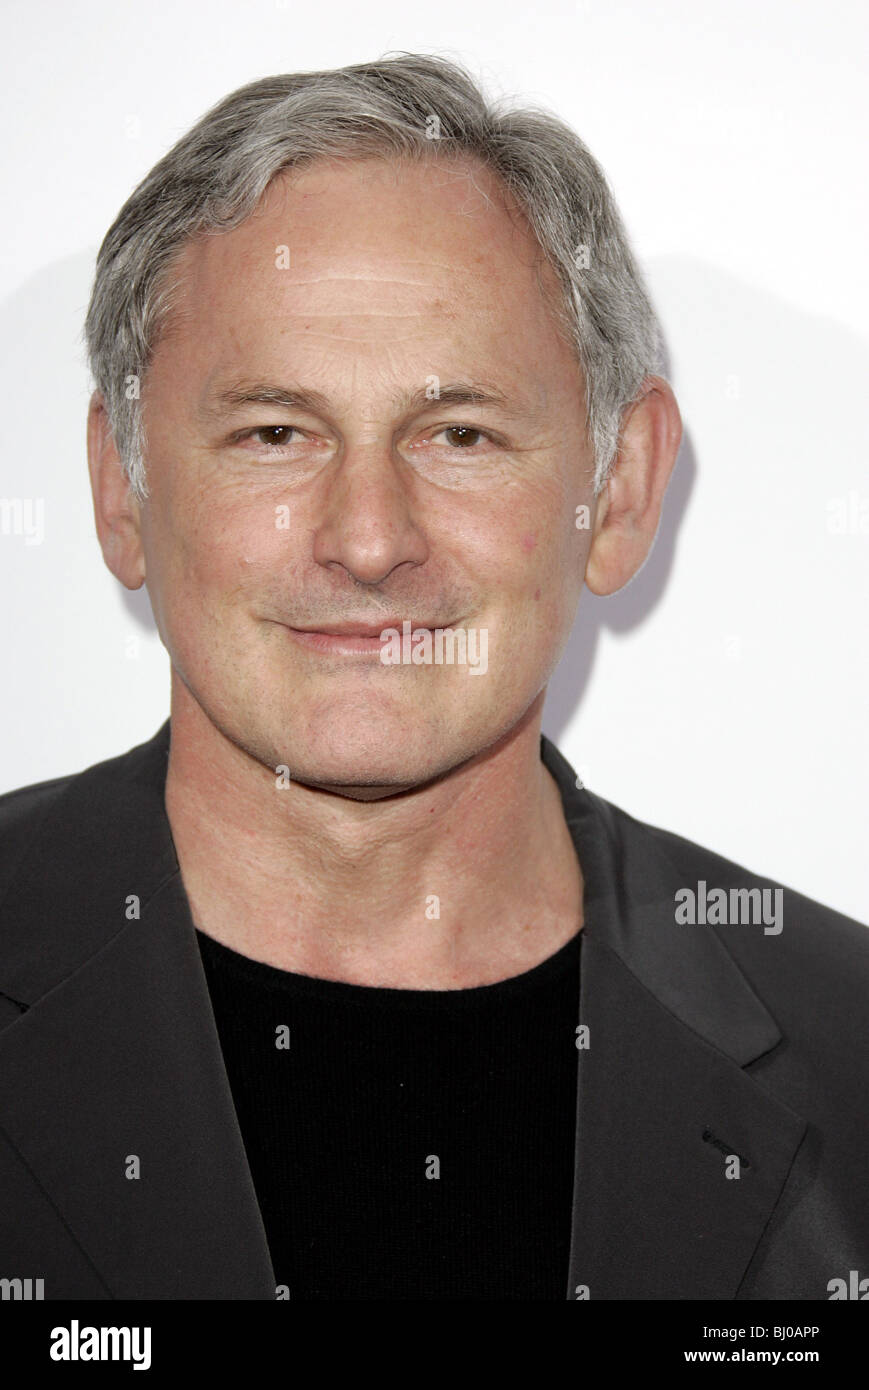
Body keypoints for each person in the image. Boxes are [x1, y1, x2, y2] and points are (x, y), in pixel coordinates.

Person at [0, 53, 866, 1302]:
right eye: (272, 432)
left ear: (617, 491)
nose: (366, 538)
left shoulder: (849, 1054)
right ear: (118, 488)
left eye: (457, 434)